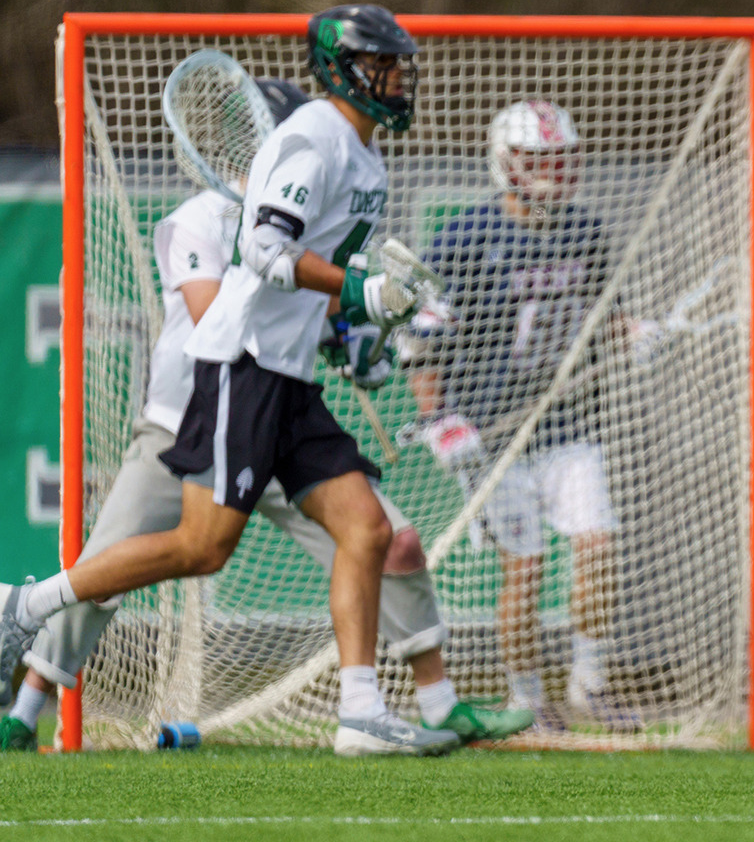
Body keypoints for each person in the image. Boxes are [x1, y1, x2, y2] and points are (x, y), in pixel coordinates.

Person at [0, 74, 532, 753]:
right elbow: (214, 315)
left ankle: (431, 704)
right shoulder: (205, 219)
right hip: (187, 420)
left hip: (276, 410)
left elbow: (321, 309)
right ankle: (24, 705)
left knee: (385, 537)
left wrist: (369, 333)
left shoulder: (315, 222)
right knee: (125, 560)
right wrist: (351, 295)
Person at [408, 99, 622, 730]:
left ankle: (589, 683)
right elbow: (422, 339)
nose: (553, 172)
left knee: (597, 546)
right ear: (507, 164)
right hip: (492, 430)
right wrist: (436, 417)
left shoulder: (584, 231)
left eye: (561, 159)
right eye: (539, 160)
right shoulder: (467, 238)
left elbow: (603, 317)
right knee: (523, 571)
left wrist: (632, 333)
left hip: (567, 424)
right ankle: (528, 699)